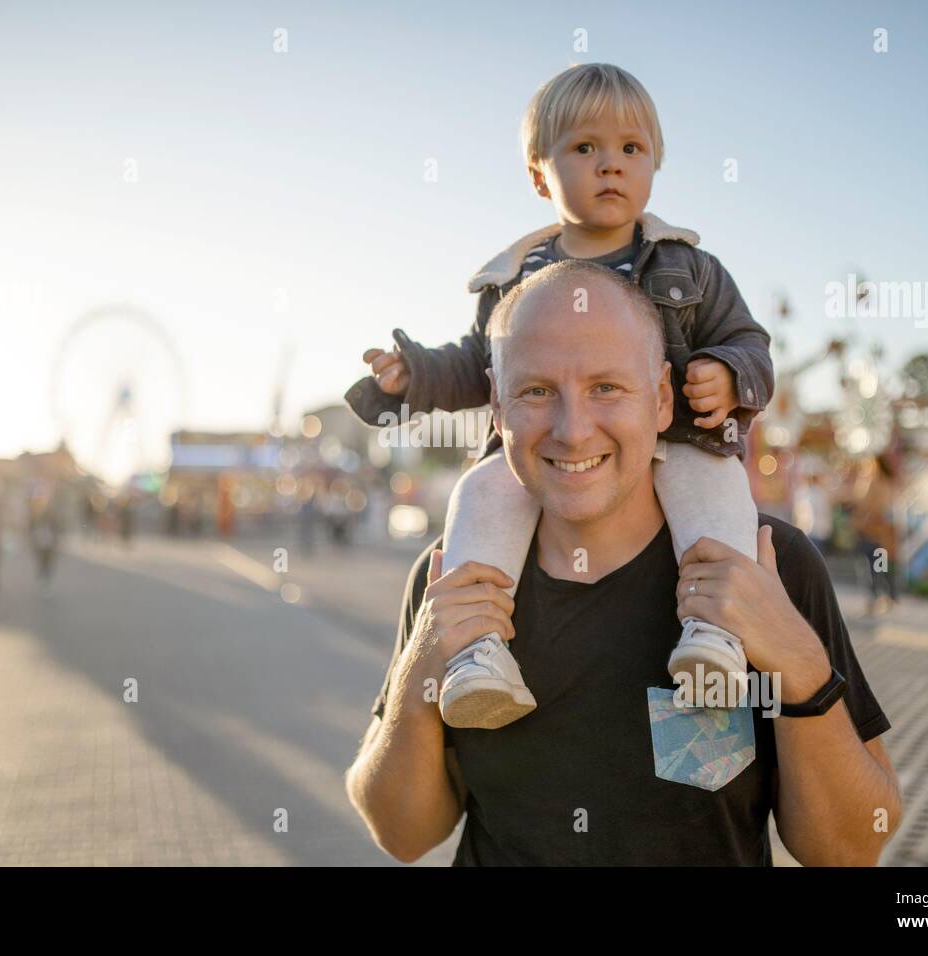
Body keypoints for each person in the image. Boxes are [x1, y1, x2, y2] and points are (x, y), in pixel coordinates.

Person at [344, 262, 899, 865]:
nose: (573, 431)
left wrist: (796, 658)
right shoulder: (454, 572)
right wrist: (420, 670)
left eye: (606, 387)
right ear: (497, 410)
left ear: (662, 399)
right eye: (536, 392)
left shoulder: (769, 565)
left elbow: (851, 849)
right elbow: (401, 834)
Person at [346, 63, 773, 728]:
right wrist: (414, 375)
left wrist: (726, 370)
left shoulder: (690, 266)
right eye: (585, 148)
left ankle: (714, 634)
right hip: (545, 453)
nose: (611, 166)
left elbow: (751, 345)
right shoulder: (510, 281)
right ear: (540, 175)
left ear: (655, 162)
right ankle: (479, 654)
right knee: (479, 495)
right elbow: (474, 367)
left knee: (720, 494)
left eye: (631, 149)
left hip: (680, 439)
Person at [851, 455, 899, 616]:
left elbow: (868, 504)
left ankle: (878, 597)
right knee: (878, 565)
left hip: (872, 530)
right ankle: (885, 597)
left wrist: (862, 518)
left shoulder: (875, 482)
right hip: (876, 530)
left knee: (873, 566)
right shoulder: (884, 482)